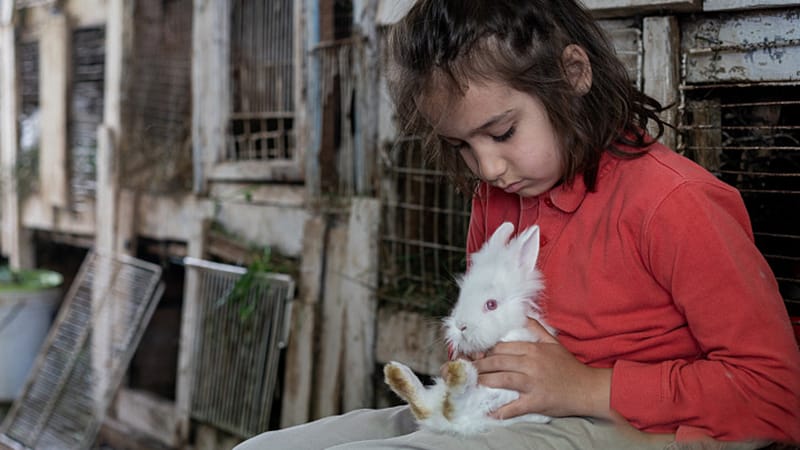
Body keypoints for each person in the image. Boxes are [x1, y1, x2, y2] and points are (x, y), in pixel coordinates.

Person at [235, 0, 800, 448]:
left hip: (628, 424)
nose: (487, 167)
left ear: (573, 73)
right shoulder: (498, 200)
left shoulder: (675, 204)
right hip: (500, 412)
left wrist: (584, 386)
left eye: (502, 133)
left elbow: (777, 393)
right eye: (461, 145)